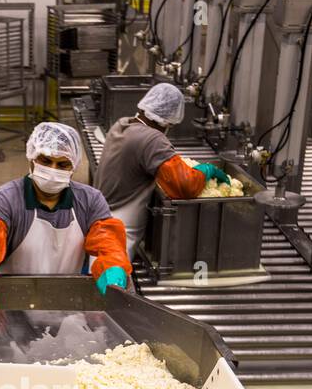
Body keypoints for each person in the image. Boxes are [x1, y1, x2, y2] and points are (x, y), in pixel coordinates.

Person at [0, 122, 131, 311]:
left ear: (73, 167)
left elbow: (109, 244)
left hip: (68, 307)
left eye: (62, 164)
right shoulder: (6, 199)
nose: (52, 169)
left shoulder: (90, 200)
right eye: (45, 160)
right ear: (31, 159)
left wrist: (114, 266)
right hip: (11, 306)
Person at [94, 82, 230, 259]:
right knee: (109, 282)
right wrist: (206, 170)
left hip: (101, 219)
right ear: (167, 121)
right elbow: (185, 186)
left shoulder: (123, 124)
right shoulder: (152, 139)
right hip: (118, 234)